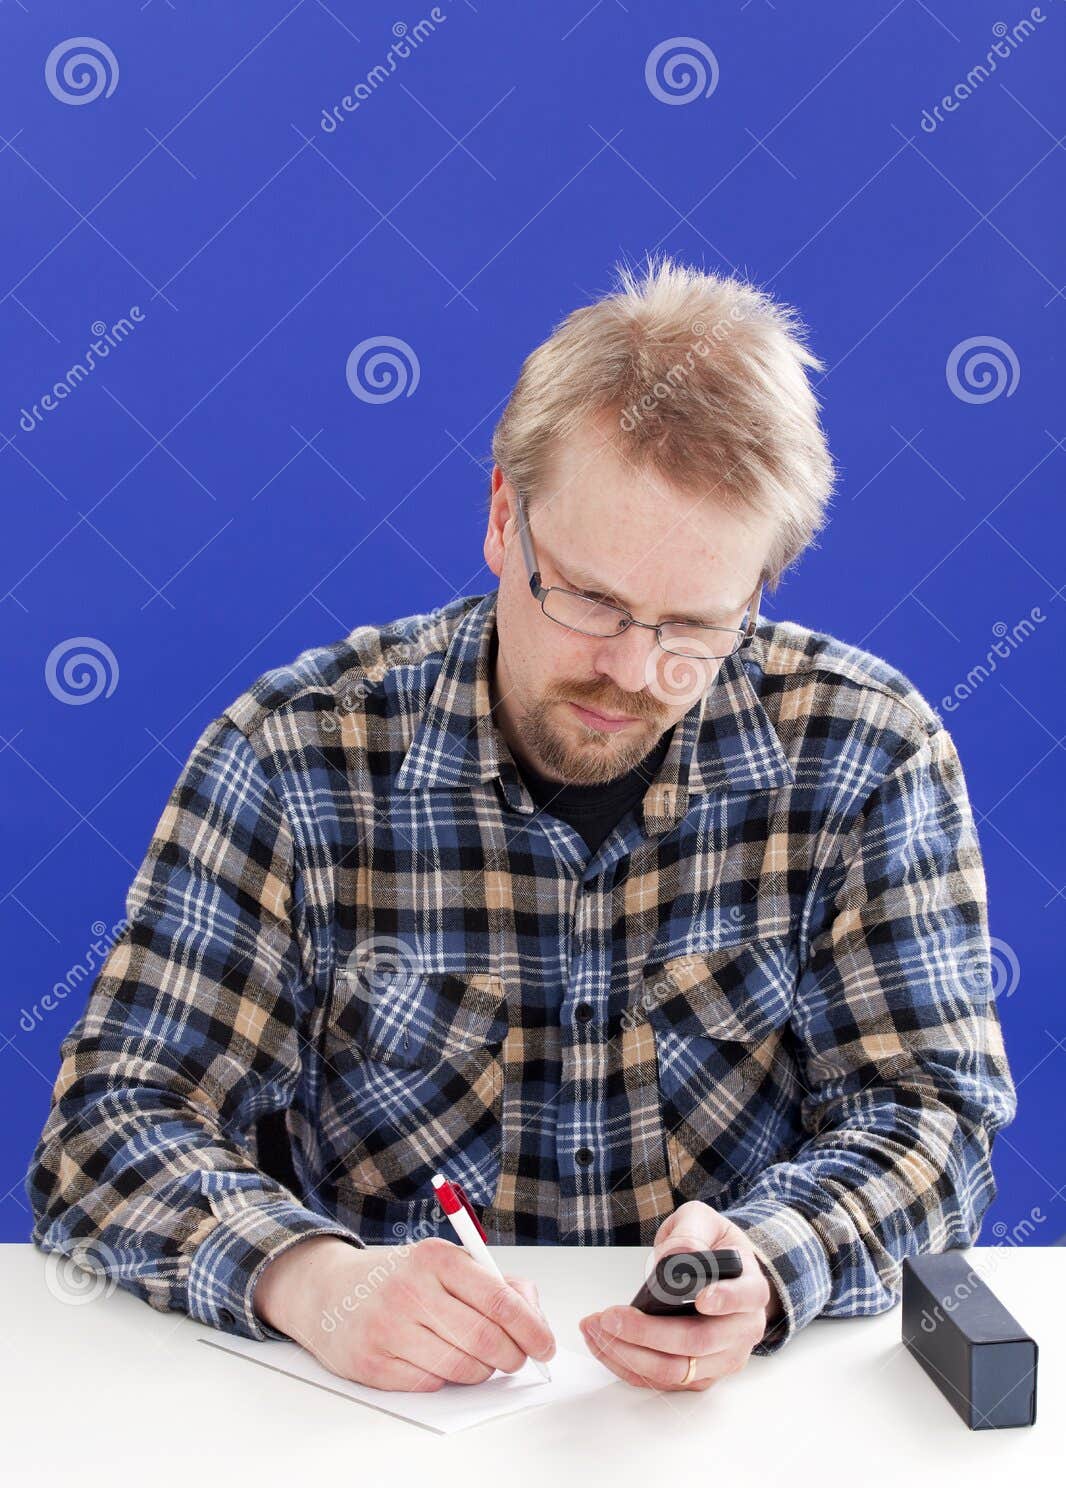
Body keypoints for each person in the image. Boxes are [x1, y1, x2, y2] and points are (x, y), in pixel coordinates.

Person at [26, 255, 1015, 1396]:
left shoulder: (866, 753)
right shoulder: (297, 758)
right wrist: (311, 1278)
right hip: (376, 1426)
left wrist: (770, 1262)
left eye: (693, 624)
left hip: (734, 1431)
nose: (632, 673)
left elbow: (932, 1119)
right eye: (590, 600)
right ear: (505, 518)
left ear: (758, 593)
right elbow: (106, 1126)